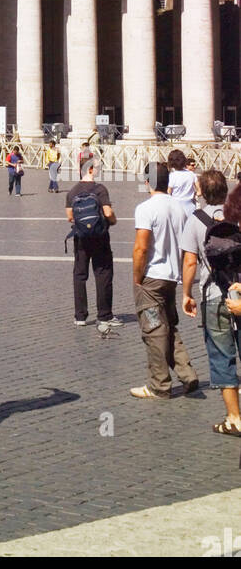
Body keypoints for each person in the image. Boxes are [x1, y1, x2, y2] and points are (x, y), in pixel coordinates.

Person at [130, 162, 199, 399]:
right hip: (172, 277)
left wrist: (137, 278)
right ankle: (187, 374)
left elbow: (141, 247)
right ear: (167, 182)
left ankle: (159, 385)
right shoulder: (180, 209)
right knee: (170, 327)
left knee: (154, 331)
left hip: (151, 278)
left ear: (147, 181)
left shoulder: (146, 208)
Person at [181, 172, 241, 435]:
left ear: (202, 193)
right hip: (238, 291)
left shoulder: (196, 220)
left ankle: (234, 418)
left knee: (222, 357)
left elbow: (190, 261)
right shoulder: (236, 217)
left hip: (214, 295)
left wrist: (186, 294)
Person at [65, 159, 120, 331]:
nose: (98, 171)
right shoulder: (99, 189)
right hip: (100, 237)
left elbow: (69, 216)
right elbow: (108, 212)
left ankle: (80, 316)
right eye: (97, 168)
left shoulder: (72, 191)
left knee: (80, 275)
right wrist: (112, 221)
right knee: (103, 273)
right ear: (89, 169)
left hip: (80, 237)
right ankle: (104, 315)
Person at [167, 149, 198, 217]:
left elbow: (168, 193)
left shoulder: (172, 176)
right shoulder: (192, 174)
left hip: (176, 206)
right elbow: (200, 191)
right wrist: (193, 195)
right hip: (190, 206)